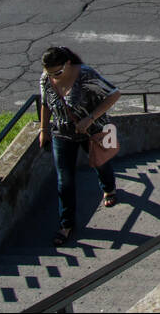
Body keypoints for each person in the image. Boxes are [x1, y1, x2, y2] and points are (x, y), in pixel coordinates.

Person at [38, 46, 123, 246]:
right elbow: (45, 103)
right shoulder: (46, 78)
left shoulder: (85, 75)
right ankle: (66, 224)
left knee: (100, 163)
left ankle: (109, 189)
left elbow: (114, 94)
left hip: (91, 131)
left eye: (57, 72)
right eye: (49, 72)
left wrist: (89, 118)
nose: (53, 76)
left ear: (68, 63)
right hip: (62, 133)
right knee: (64, 180)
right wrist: (44, 130)